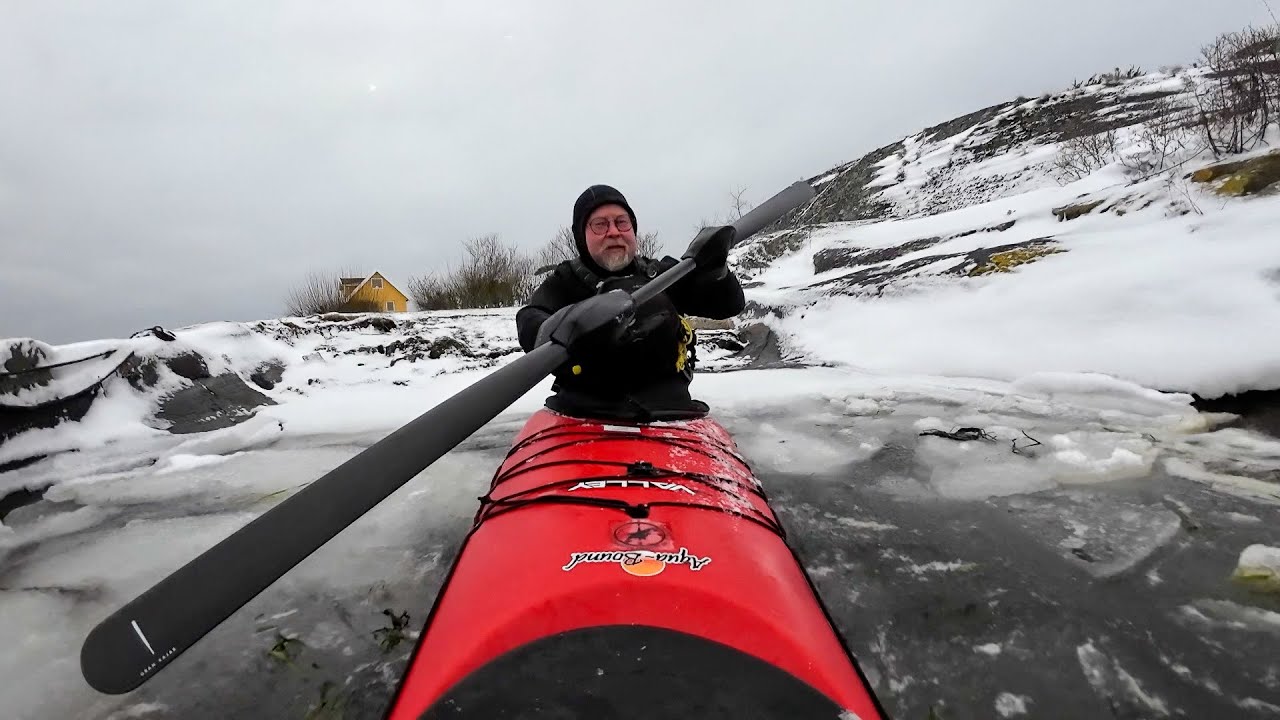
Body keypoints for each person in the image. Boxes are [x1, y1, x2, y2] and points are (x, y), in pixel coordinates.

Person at [517, 184, 744, 421]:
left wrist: (716, 271)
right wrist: (572, 324)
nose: (613, 231)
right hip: (584, 412)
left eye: (621, 222)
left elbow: (728, 305)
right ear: (581, 236)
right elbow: (530, 320)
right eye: (600, 224)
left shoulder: (662, 275)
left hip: (670, 411)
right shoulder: (564, 282)